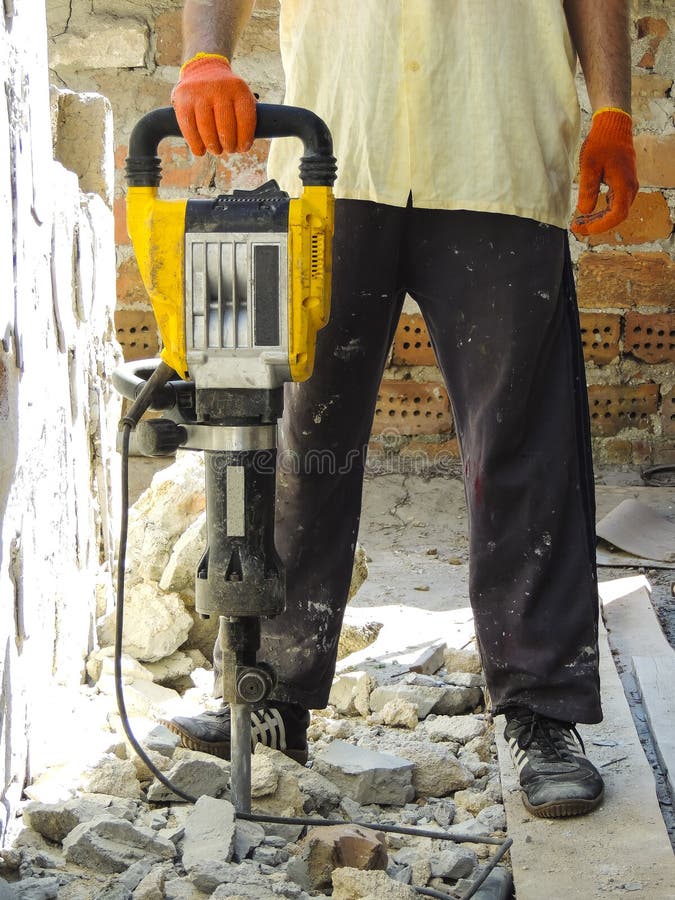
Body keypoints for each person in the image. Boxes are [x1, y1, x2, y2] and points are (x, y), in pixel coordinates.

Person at [164, 0, 638, 819]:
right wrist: (204, 57)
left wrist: (611, 109)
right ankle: (271, 691)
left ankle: (542, 711)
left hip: (500, 138)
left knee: (522, 444)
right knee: (300, 436)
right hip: (339, 142)